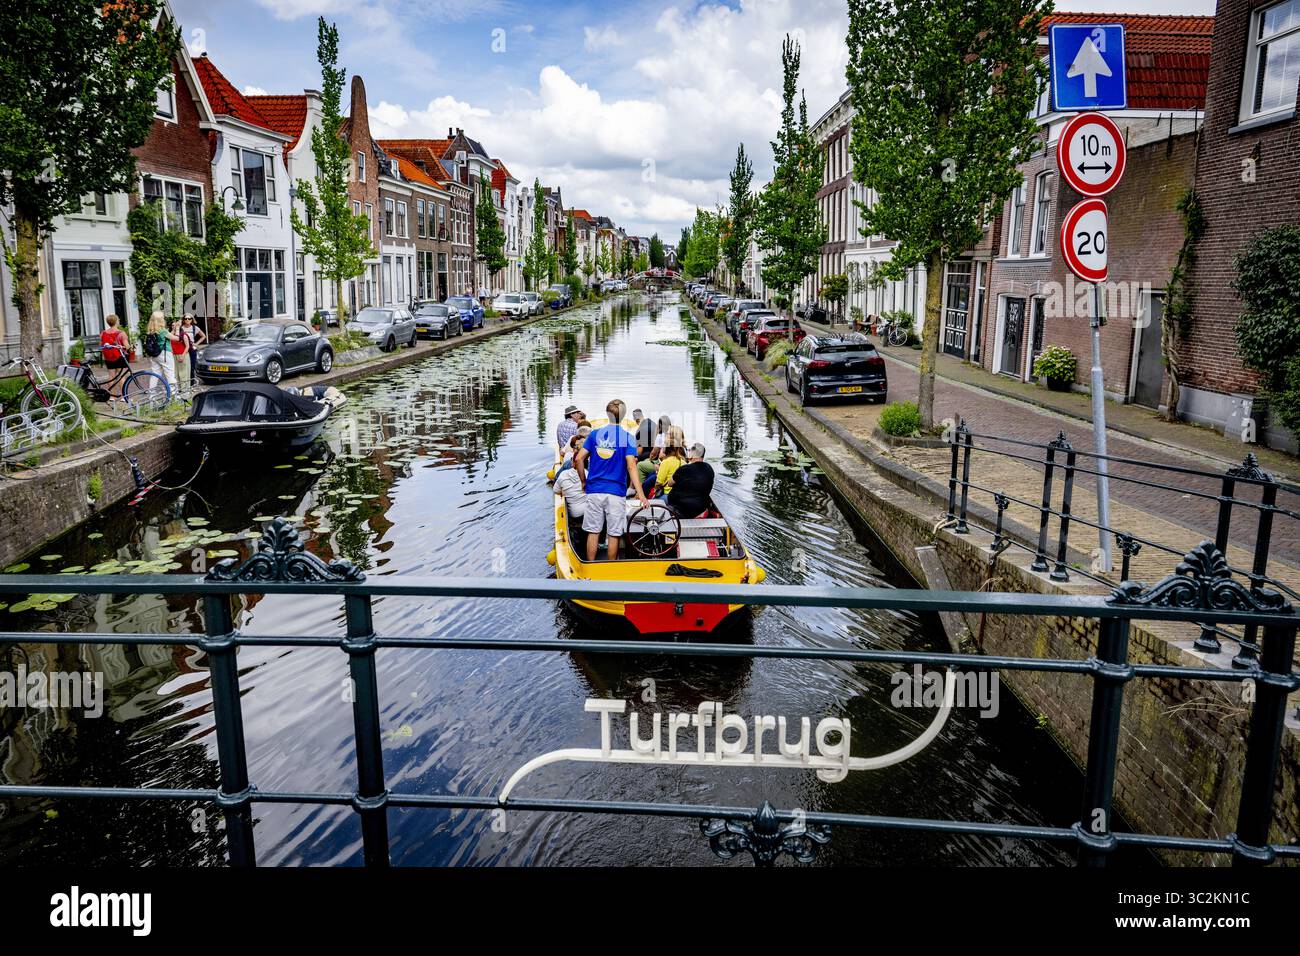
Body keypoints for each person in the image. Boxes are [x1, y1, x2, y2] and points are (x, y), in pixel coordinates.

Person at [575, 399, 646, 561]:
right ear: (623, 415)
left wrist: (583, 482)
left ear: (608, 414)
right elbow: (631, 466)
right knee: (614, 533)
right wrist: (641, 494)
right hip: (616, 492)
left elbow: (579, 459)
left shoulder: (594, 435)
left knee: (594, 531)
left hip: (594, 490)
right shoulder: (627, 438)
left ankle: (590, 568)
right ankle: (610, 569)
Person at [666, 443, 715, 519]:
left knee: (661, 501)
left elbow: (669, 483)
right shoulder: (709, 468)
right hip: (700, 508)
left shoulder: (684, 469)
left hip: (680, 510)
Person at [645, 425, 686, 498]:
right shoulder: (683, 460)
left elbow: (658, 483)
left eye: (667, 435)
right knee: (651, 476)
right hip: (679, 494)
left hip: (667, 494)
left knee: (650, 480)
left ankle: (639, 496)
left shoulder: (667, 461)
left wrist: (655, 490)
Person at [144, 311, 179, 393]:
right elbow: (176, 338)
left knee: (155, 375)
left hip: (155, 355)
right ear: (160, 320)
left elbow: (168, 336)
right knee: (170, 374)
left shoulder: (151, 330)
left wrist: (173, 329)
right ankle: (175, 396)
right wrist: (177, 329)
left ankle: (151, 396)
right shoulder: (162, 330)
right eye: (163, 318)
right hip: (165, 354)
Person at [98, 313, 131, 397]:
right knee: (121, 376)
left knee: (111, 376)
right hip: (119, 356)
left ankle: (112, 396)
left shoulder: (103, 333)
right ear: (116, 322)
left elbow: (101, 345)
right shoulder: (121, 333)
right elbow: (126, 346)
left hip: (108, 357)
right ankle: (124, 396)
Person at [553, 453, 587, 519]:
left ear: (572, 463)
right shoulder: (587, 473)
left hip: (575, 514)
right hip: (588, 511)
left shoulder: (563, 475)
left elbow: (555, 490)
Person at [180, 313, 206, 385]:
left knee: (192, 366)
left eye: (189, 318)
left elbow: (203, 336)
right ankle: (183, 382)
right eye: (186, 318)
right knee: (183, 366)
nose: (187, 320)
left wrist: (196, 344)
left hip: (192, 349)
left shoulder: (195, 328)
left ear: (192, 320)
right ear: (183, 320)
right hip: (183, 349)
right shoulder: (181, 328)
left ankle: (191, 383)